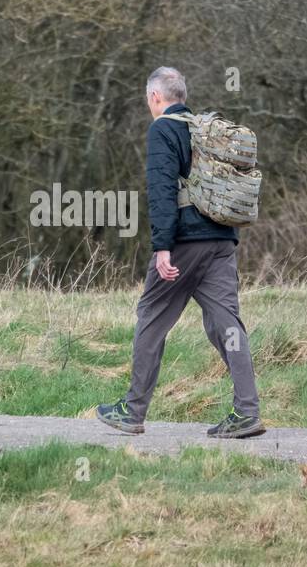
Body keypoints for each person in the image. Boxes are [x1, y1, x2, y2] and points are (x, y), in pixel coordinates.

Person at [96, 67, 264, 439]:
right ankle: (247, 412)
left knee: (152, 317)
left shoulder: (163, 130)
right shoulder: (204, 129)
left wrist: (162, 248)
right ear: (182, 95)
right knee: (226, 323)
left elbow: (161, 191)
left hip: (186, 241)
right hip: (223, 240)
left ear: (155, 97)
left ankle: (132, 410)